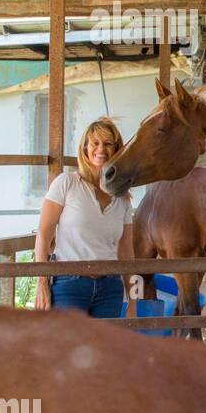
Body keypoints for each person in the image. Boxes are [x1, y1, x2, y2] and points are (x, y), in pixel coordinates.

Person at [33, 117, 134, 318]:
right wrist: (42, 282)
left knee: (104, 340)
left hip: (110, 287)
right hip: (69, 283)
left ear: (116, 149)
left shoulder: (123, 198)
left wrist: (133, 301)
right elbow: (43, 235)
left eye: (108, 144)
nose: (101, 149)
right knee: (68, 339)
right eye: (95, 143)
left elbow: (127, 253)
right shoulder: (66, 183)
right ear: (85, 148)